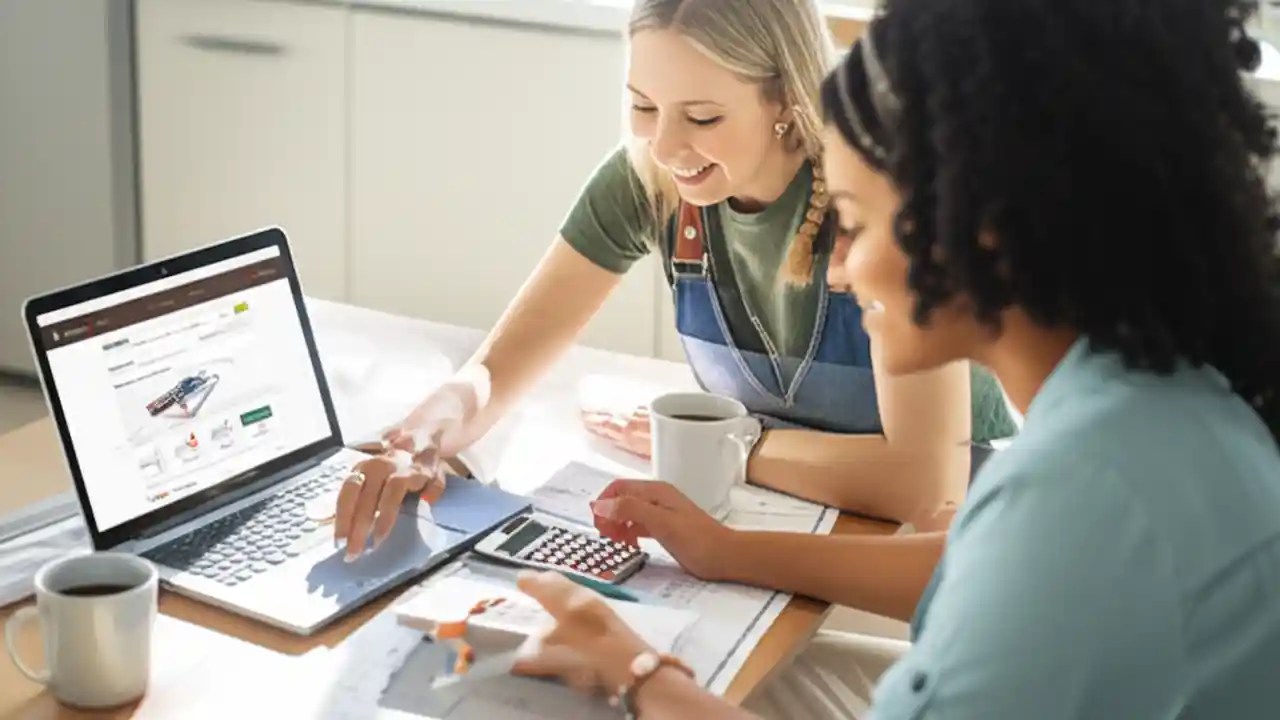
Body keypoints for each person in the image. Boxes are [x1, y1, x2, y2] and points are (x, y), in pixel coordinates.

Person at [509, 0, 1280, 717]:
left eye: (854, 222)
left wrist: (641, 677)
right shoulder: (1147, 400)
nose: (839, 268)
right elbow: (968, 564)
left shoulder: (1080, 489)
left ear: (979, 219)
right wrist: (725, 550)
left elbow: (1031, 543)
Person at [331, 0, 1017, 562]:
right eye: (642, 105)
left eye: (702, 117)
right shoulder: (653, 179)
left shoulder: (870, 191)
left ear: (784, 94)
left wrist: (721, 444)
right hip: (783, 515)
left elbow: (922, 482)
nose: (663, 144)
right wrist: (427, 431)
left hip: (950, 542)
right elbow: (501, 365)